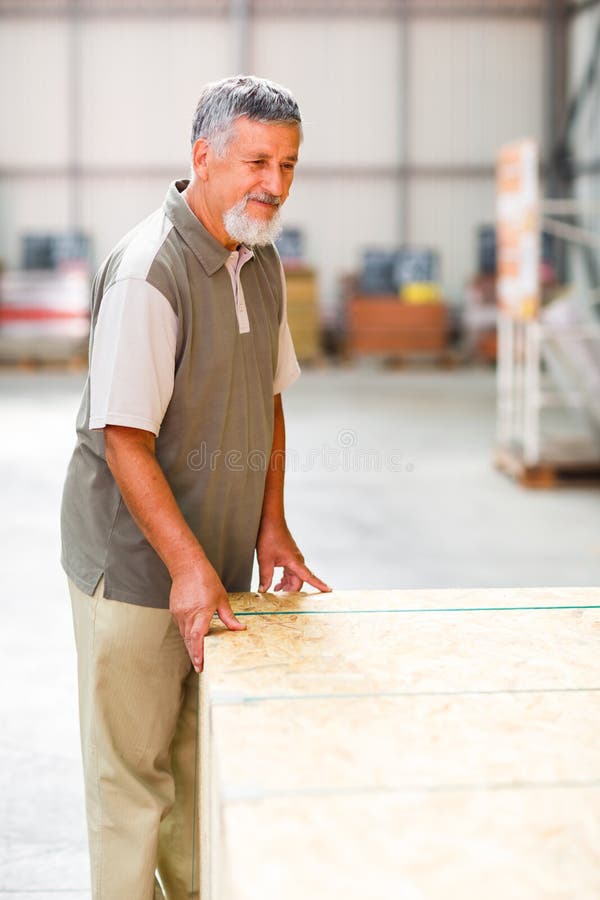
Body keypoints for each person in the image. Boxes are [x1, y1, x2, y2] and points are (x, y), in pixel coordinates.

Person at [61, 74, 331, 900]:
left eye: (288, 165)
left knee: (197, 762)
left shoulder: (261, 258)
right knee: (133, 781)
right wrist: (185, 567)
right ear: (202, 157)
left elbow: (268, 397)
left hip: (216, 563)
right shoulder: (150, 270)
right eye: (258, 162)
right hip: (138, 572)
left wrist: (270, 526)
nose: (275, 184)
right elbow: (124, 439)